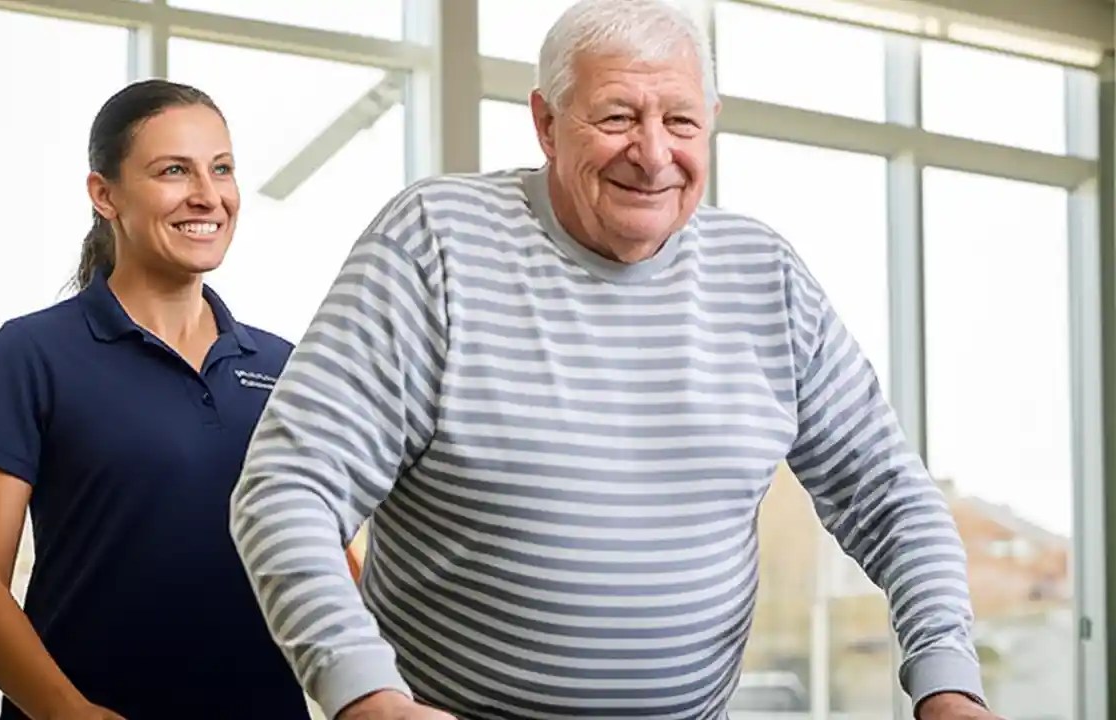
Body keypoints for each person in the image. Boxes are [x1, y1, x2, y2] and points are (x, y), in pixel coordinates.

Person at [229, 1, 1003, 719]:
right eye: (618, 117)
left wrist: (947, 681)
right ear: (546, 122)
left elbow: (891, 497)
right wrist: (362, 693)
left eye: (681, 120)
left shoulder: (763, 275)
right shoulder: (435, 241)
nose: (654, 152)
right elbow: (288, 489)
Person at [0, 79, 312, 719]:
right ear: (104, 194)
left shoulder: (283, 365)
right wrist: (66, 712)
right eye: (174, 170)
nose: (208, 195)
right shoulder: (34, 352)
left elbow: (323, 557)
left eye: (221, 169)